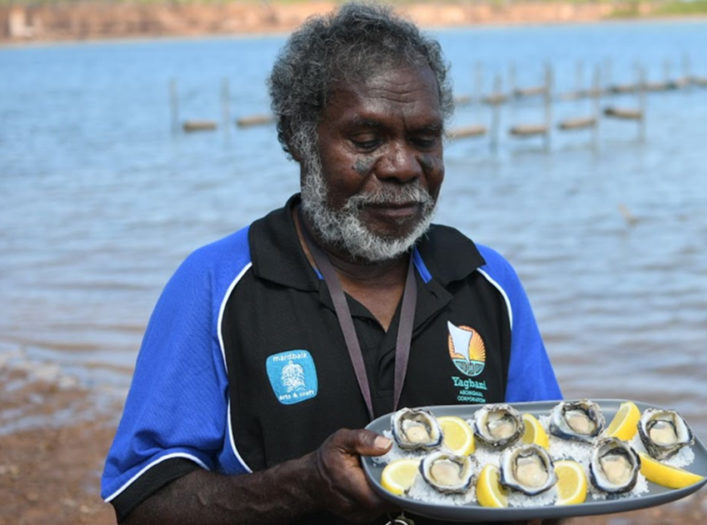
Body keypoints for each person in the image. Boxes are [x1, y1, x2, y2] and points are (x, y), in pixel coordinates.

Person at [100, 4, 562, 524]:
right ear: (299, 139)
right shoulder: (217, 284)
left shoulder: (485, 280)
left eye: (425, 139)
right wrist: (299, 489)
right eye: (366, 141)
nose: (402, 165)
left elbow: (554, 470)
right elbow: (142, 502)